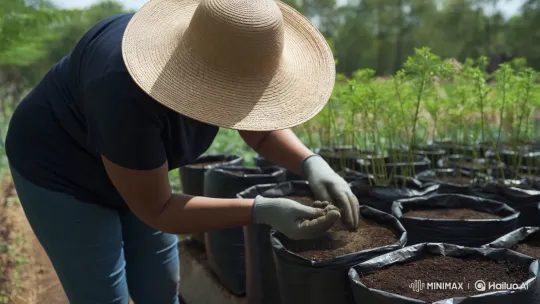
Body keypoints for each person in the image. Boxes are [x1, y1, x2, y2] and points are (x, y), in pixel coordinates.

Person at [5, 0, 360, 303]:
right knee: (102, 292)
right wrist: (261, 210)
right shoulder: (124, 90)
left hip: (135, 165)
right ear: (198, 76)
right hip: (61, 168)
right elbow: (158, 208)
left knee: (160, 283)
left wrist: (311, 162)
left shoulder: (219, 48)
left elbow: (261, 132)